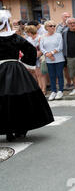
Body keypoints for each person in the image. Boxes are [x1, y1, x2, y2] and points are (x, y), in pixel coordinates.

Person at [0, 10, 54, 142]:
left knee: (5, 100)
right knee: (20, 99)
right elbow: (30, 50)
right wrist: (24, 63)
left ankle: (8, 131)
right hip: (15, 69)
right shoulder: (16, 37)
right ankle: (19, 129)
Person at [40, 20, 65, 101]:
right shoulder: (43, 36)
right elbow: (42, 48)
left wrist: (51, 53)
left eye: (54, 26)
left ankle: (60, 90)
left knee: (59, 75)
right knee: (51, 76)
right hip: (49, 59)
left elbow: (60, 47)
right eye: (51, 26)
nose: (53, 27)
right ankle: (53, 91)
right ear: (46, 27)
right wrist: (48, 55)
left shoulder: (58, 35)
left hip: (59, 59)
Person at [24, 24, 46, 93]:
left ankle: (43, 89)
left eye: (27, 32)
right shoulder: (29, 39)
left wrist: (35, 55)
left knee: (41, 74)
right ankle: (39, 87)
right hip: (33, 58)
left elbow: (41, 49)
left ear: (30, 32)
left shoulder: (39, 38)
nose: (26, 33)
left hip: (39, 57)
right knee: (37, 74)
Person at [56, 12, 73, 90]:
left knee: (72, 67)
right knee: (65, 68)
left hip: (70, 49)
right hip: (61, 50)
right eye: (66, 16)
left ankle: (74, 83)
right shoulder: (58, 26)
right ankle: (68, 82)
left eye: (69, 16)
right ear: (62, 17)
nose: (67, 18)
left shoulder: (72, 26)